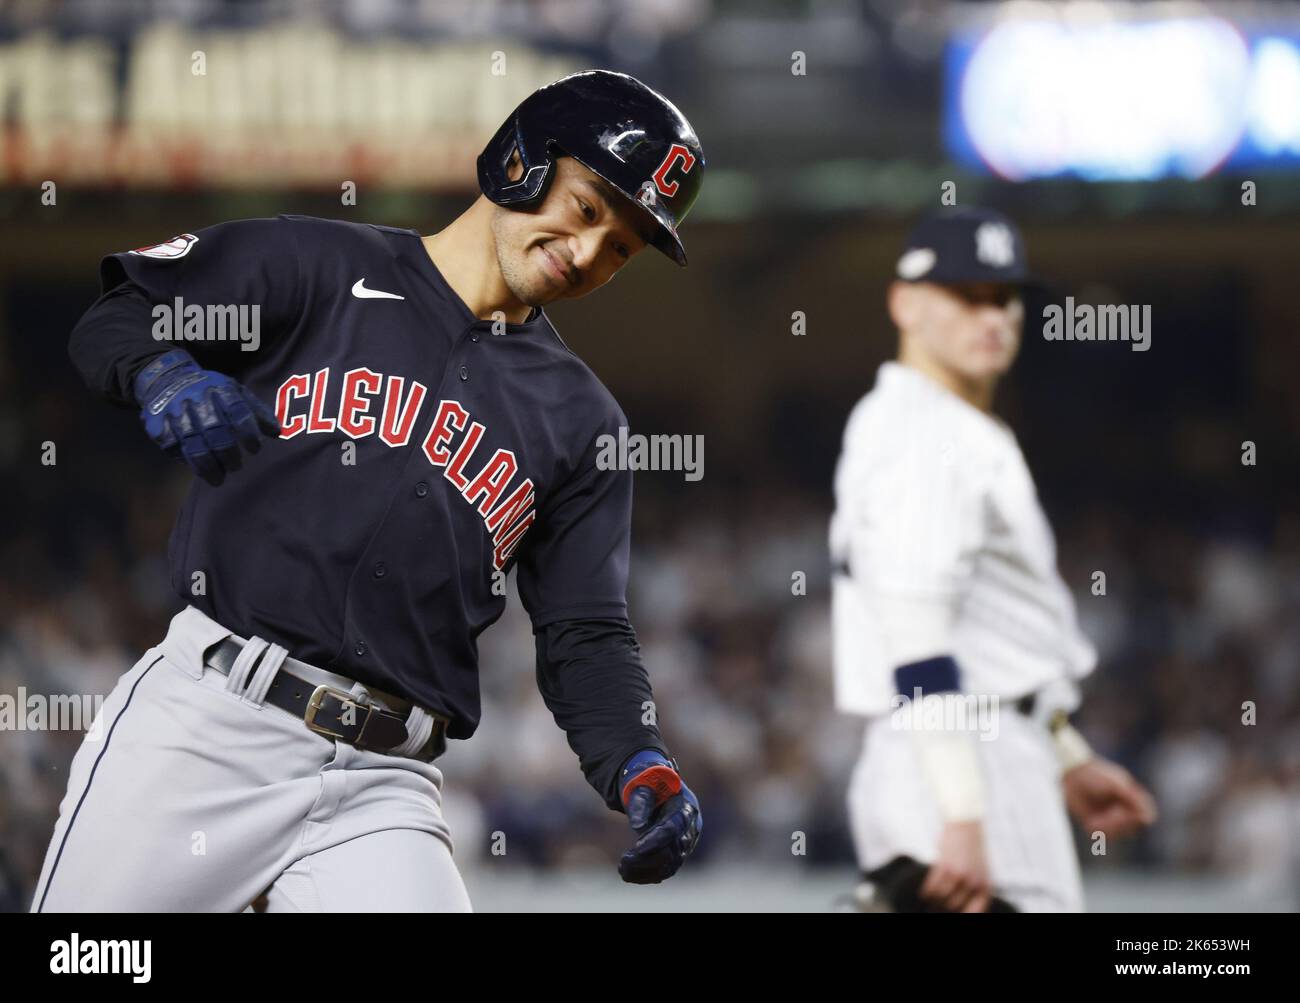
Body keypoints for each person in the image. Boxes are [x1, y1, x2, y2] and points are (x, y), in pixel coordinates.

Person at [34, 69, 704, 912]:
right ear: (522, 163)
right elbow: (120, 312)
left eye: (621, 248)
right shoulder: (315, 263)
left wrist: (638, 757)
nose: (587, 253)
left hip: (385, 782)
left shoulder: (583, 421)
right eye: (586, 209)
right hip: (209, 728)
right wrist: (161, 371)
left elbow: (585, 631)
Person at [829, 207, 1156, 912]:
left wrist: (1066, 755)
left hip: (975, 750)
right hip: (966, 763)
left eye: (1004, 297)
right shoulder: (928, 434)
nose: (993, 316)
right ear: (904, 302)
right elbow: (917, 634)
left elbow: (990, 636)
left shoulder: (936, 423)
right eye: (965, 294)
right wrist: (964, 815)